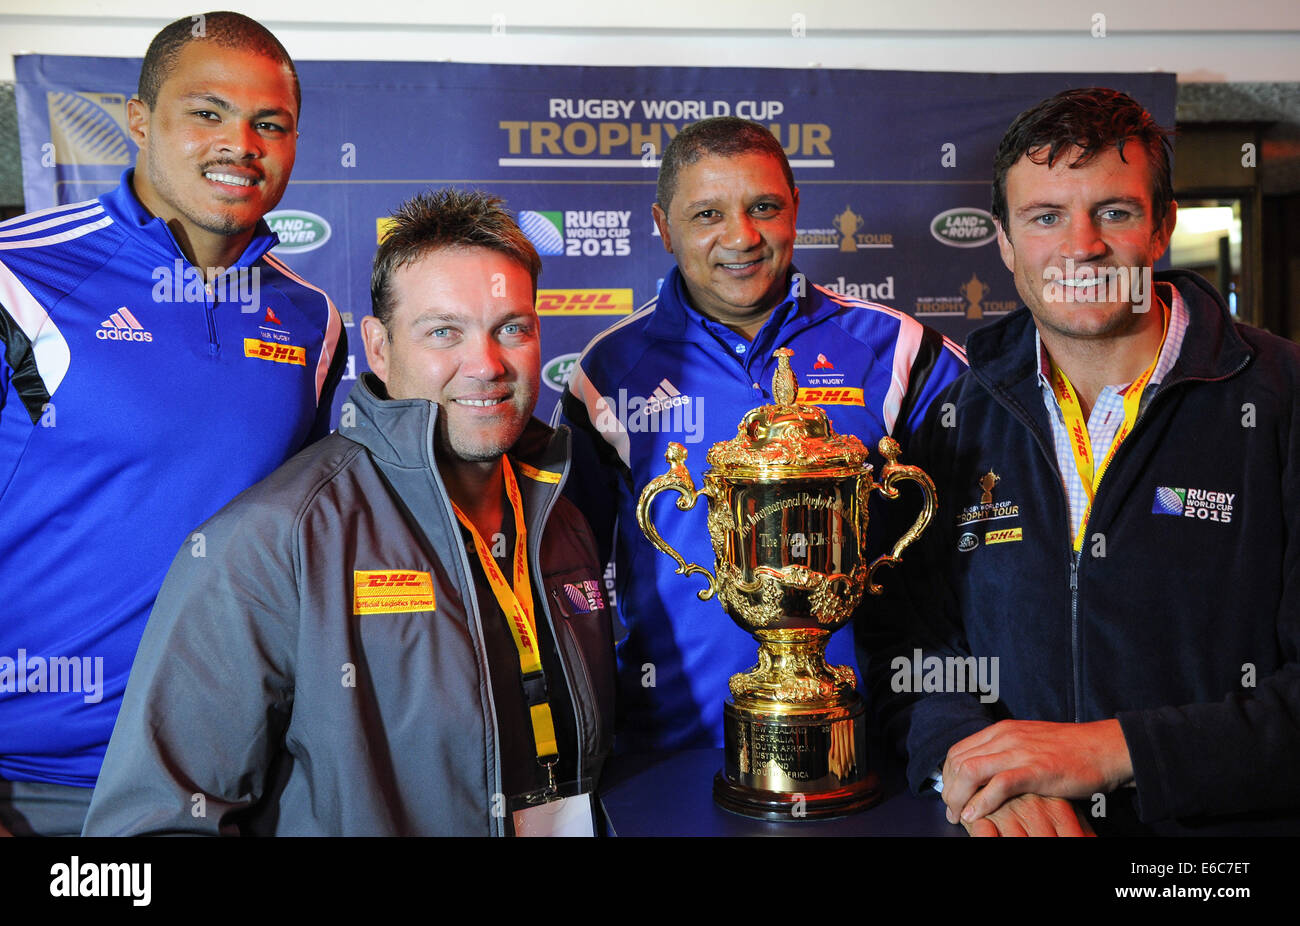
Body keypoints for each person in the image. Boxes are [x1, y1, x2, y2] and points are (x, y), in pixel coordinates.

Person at [82, 189, 616, 836]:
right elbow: (149, 828)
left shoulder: (560, 515)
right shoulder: (272, 541)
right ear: (380, 348)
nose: (487, 365)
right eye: (444, 331)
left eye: (512, 328)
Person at [876, 87, 1300, 835]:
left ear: (1161, 225)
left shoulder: (1283, 400)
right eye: (1045, 217)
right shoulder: (950, 420)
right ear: (1004, 244)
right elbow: (915, 656)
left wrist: (1112, 750)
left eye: (1114, 211)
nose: (1082, 247)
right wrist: (975, 768)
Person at [0, 11, 345, 836]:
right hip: (37, 784)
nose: (242, 143)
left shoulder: (312, 319)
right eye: (207, 113)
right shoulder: (18, 278)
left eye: (271, 123)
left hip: (229, 775)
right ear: (137, 119)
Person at [555, 116, 967, 752]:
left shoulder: (900, 349)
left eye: (764, 207)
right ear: (664, 227)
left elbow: (982, 546)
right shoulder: (607, 372)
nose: (740, 237)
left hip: (876, 740)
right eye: (706, 215)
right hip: (674, 744)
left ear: (796, 209)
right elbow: (565, 579)